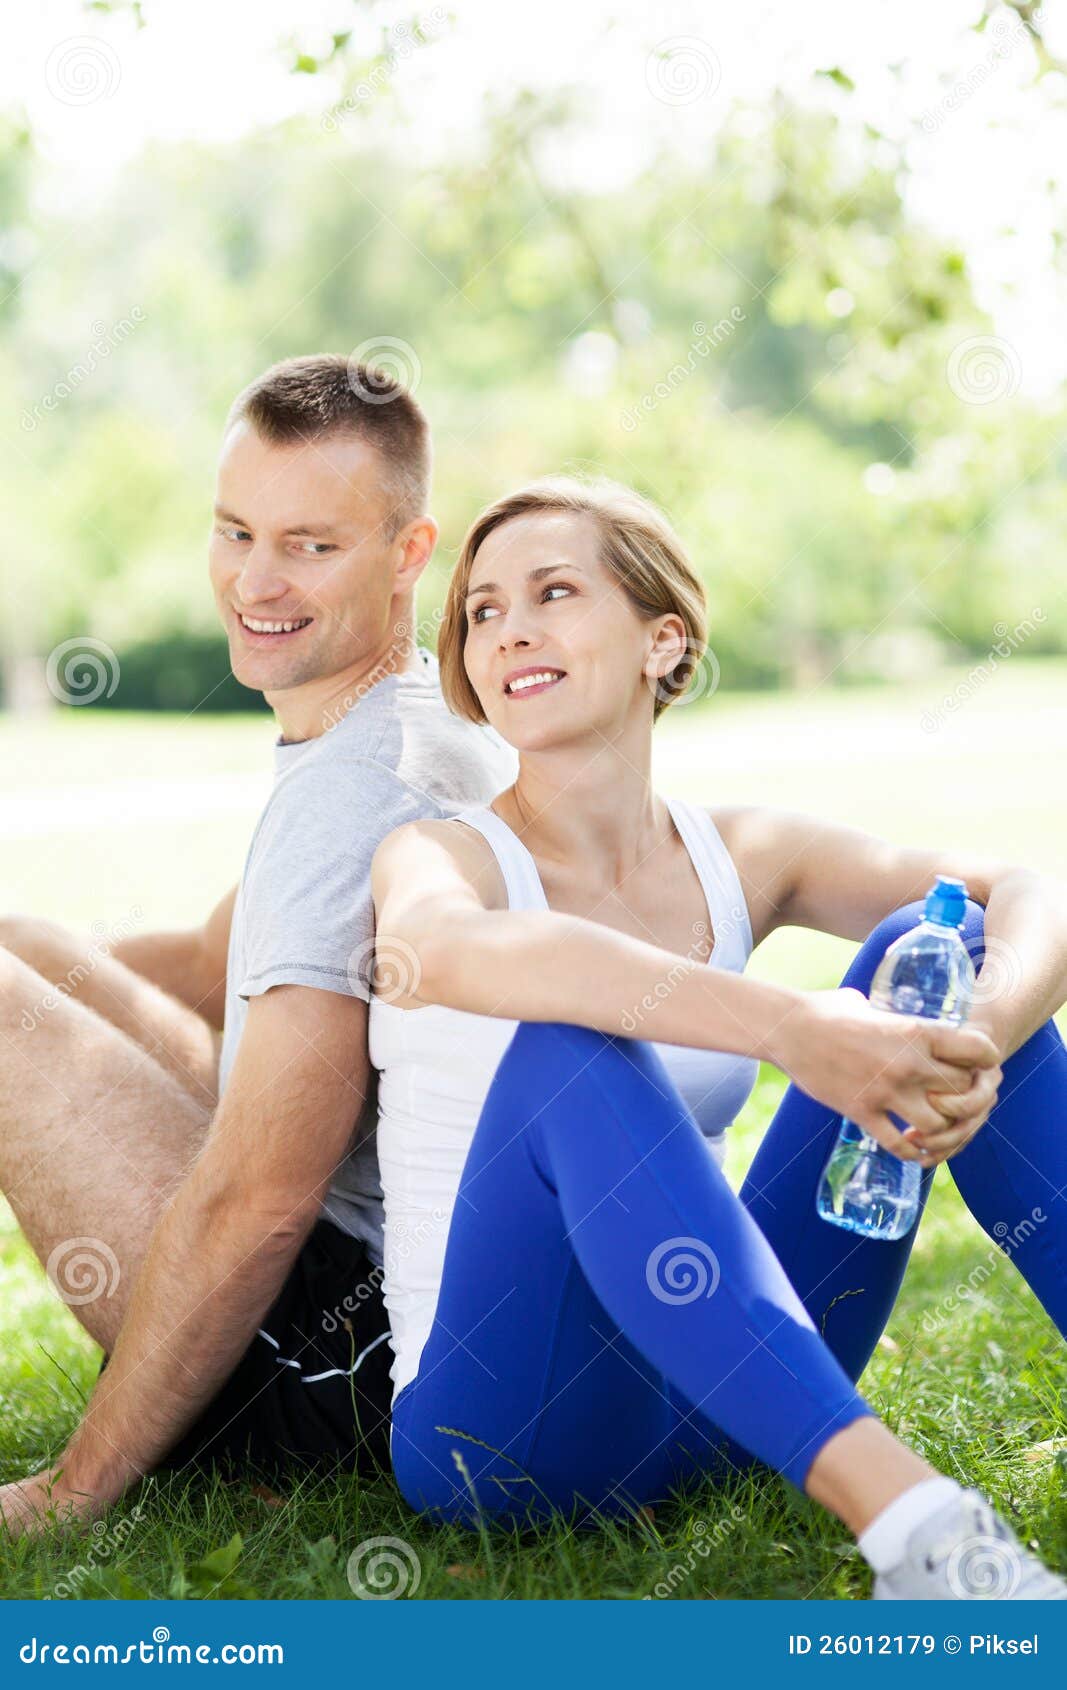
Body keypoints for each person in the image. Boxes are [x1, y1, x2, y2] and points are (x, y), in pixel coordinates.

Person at [369, 475, 1067, 1599]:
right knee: (567, 1046)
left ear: (663, 642)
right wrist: (793, 1027)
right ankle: (919, 1534)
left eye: (553, 591)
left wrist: (966, 1038)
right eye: (482, 610)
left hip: (729, 1396)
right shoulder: (434, 858)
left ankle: (858, 1466)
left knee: (924, 948)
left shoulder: (739, 847)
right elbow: (452, 952)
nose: (511, 630)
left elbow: (1023, 894)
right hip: (510, 1431)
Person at [0, 355, 515, 1538]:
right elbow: (208, 954)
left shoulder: (356, 793)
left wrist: (74, 1489)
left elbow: (262, 1204)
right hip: (382, 1290)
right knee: (30, 949)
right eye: (235, 531)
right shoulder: (411, 724)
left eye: (309, 545)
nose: (255, 579)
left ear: (405, 553)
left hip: (343, 1367)